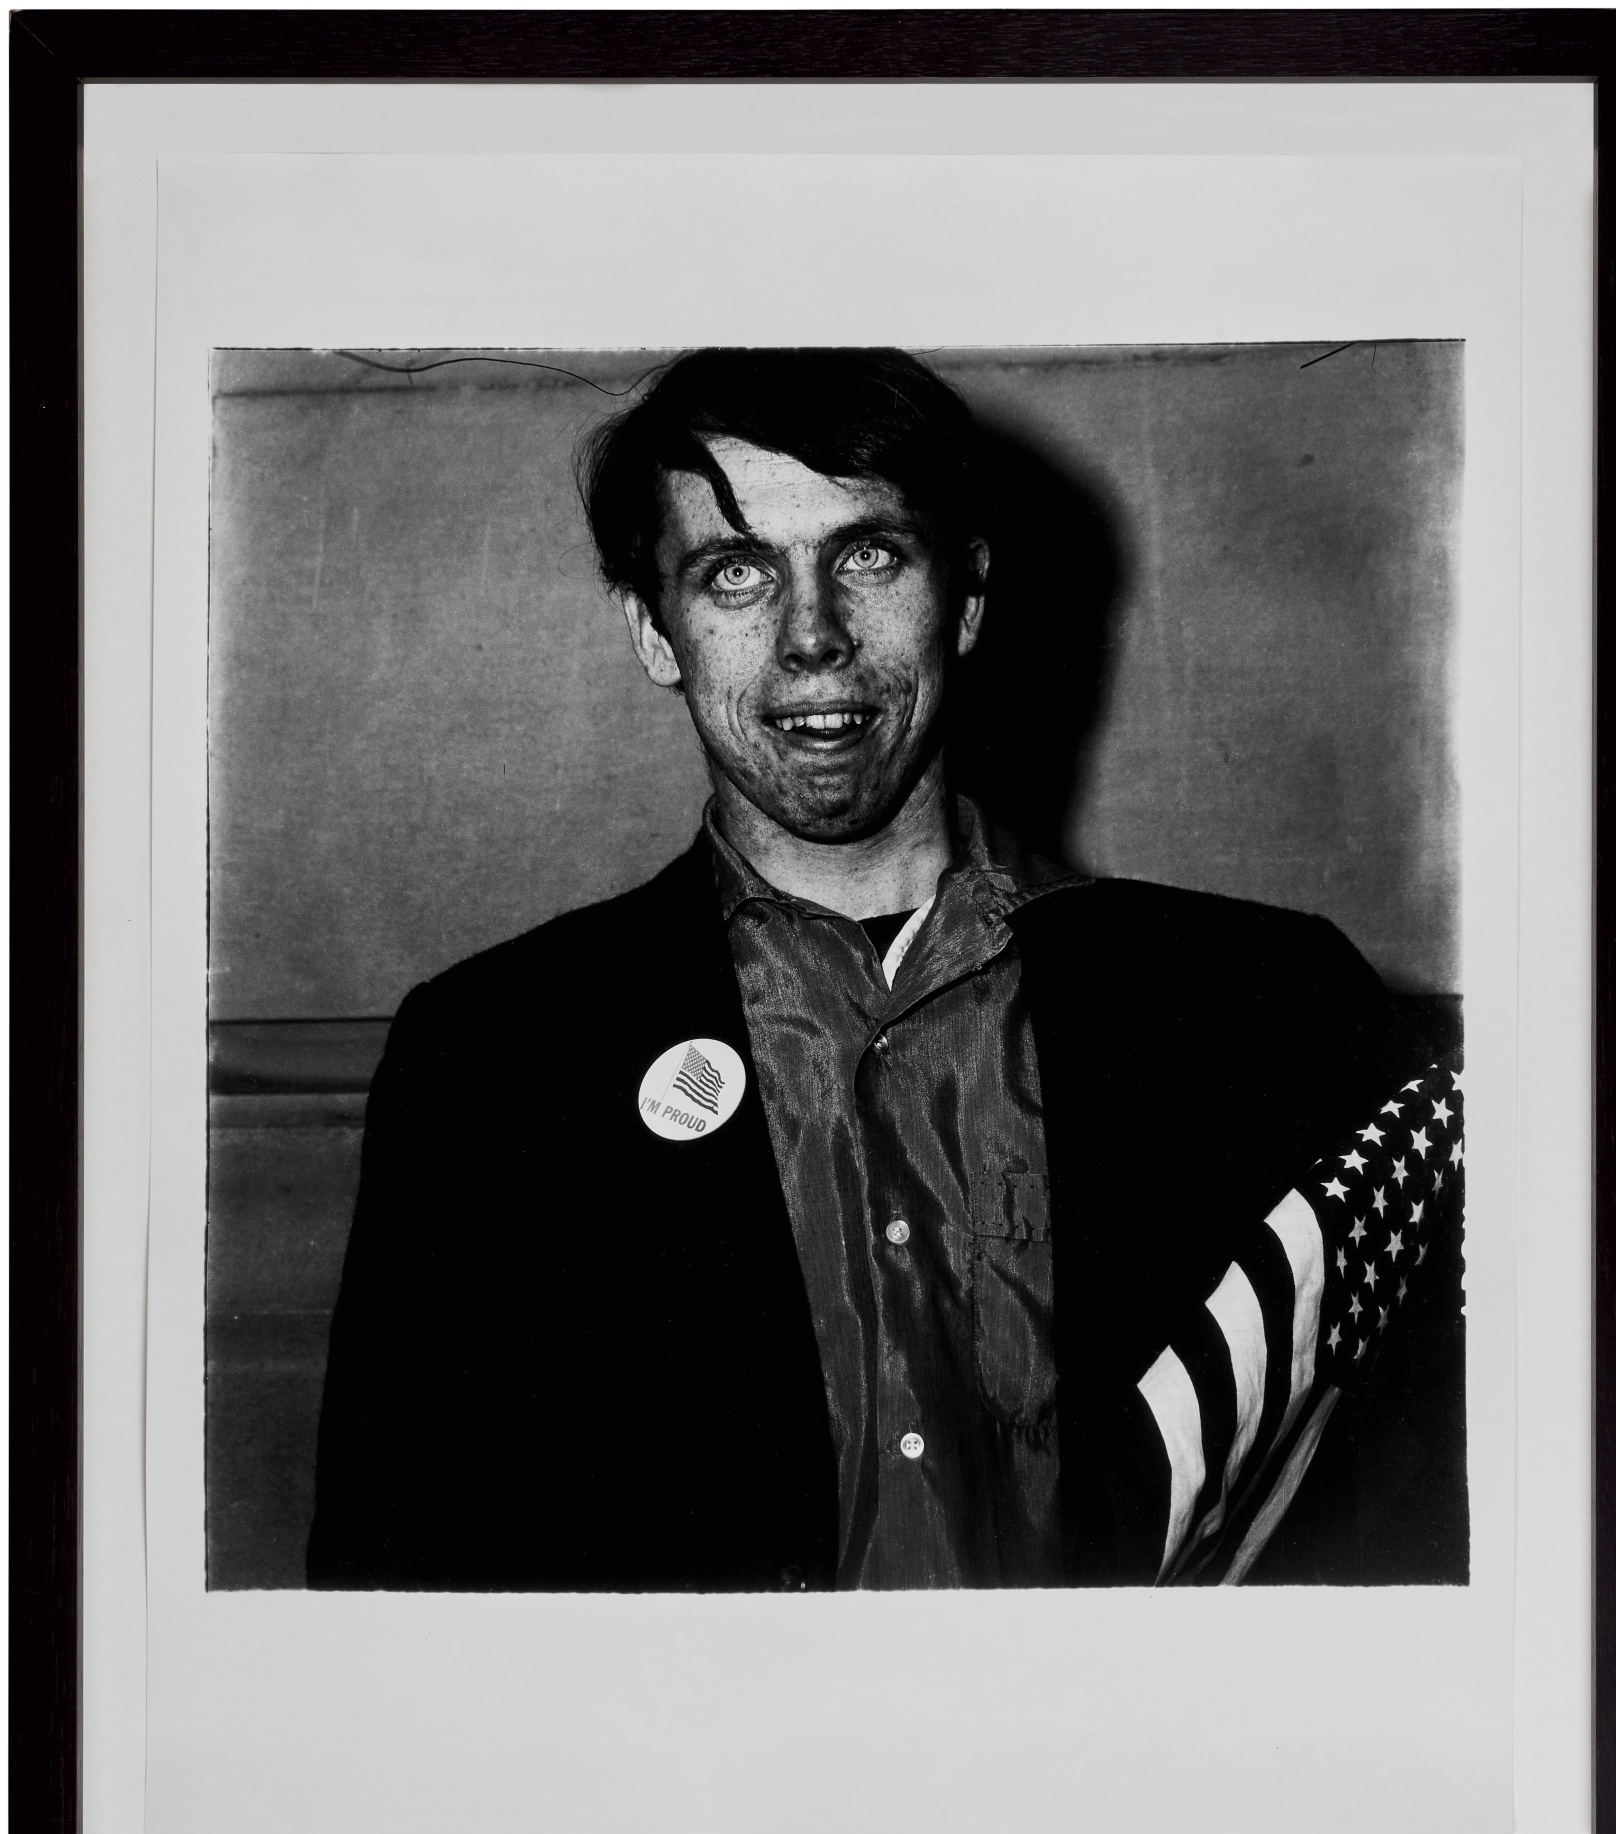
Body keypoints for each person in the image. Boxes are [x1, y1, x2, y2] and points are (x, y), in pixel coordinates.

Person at [307, 347, 1462, 1593]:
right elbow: (397, 1599)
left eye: (868, 556)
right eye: (736, 573)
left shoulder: (1273, 1011)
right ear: (653, 629)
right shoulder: (492, 1064)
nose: (812, 637)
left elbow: (1432, 1529)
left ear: (963, 598)